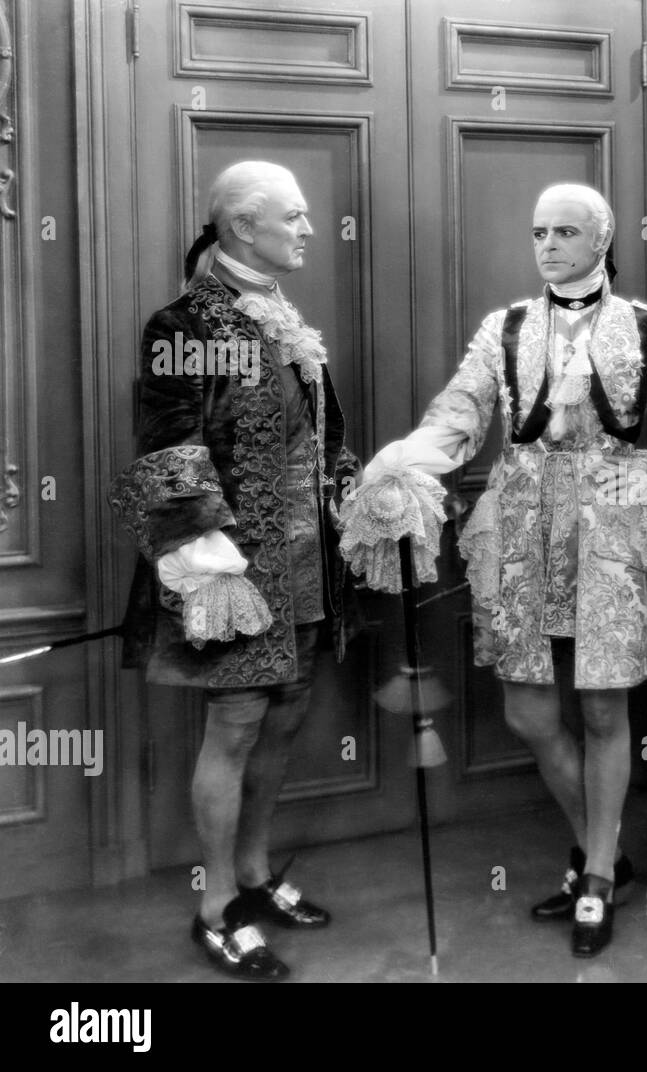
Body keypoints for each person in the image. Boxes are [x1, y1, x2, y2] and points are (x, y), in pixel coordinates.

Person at [361, 183, 647, 956]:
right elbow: (461, 411)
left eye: (566, 232)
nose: (547, 245)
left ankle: (599, 875)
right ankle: (603, 850)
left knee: (607, 712)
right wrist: (410, 456)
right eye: (538, 231)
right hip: (520, 530)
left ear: (601, 239)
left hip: (615, 532)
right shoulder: (503, 327)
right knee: (531, 714)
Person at [110, 161, 357, 980]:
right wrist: (210, 568)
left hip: (305, 559)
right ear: (243, 227)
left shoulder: (278, 312)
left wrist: (363, 496)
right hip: (235, 569)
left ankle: (254, 873)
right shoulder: (181, 323)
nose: (309, 229)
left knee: (286, 715)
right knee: (238, 724)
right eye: (294, 216)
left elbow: (313, 439)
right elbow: (169, 453)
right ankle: (217, 905)